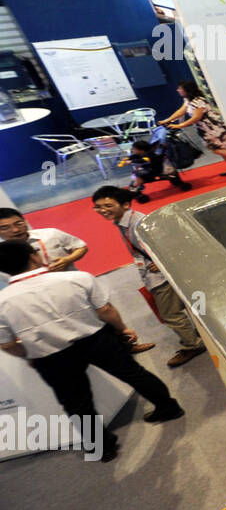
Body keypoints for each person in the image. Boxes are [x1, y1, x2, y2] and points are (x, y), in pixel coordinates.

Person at [0, 241, 184, 464]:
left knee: (76, 403)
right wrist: (123, 329)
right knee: (134, 373)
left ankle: (102, 448)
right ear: (34, 257)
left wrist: (30, 354)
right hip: (96, 339)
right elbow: (105, 310)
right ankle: (169, 407)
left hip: (50, 356)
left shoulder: (2, 300)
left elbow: (7, 344)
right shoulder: (75, 278)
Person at [90, 186, 207, 368]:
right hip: (156, 272)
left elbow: (170, 241)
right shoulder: (124, 222)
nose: (102, 210)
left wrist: (161, 261)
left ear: (126, 204)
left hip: (160, 276)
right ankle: (198, 335)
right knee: (185, 305)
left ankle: (193, 345)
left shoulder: (138, 223)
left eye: (108, 205)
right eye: (98, 207)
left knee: (170, 314)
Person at [160, 81, 226, 176]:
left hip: (212, 128)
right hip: (205, 128)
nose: (178, 90)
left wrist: (179, 126)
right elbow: (180, 112)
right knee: (220, 147)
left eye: (180, 89)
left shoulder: (198, 101)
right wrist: (167, 120)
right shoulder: (188, 100)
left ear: (187, 90)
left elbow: (196, 118)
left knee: (215, 149)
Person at [0, 209, 87, 273]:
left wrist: (68, 259)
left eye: (19, 223)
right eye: (5, 228)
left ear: (25, 221)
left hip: (73, 281)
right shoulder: (2, 254)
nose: (15, 230)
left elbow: (81, 247)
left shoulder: (50, 233)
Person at [124, 138, 191, 202]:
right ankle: (137, 184)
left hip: (155, 171)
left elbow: (141, 160)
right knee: (136, 173)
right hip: (149, 168)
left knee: (136, 173)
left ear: (141, 150)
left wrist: (131, 161)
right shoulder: (143, 153)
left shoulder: (150, 155)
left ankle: (138, 184)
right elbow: (135, 156)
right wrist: (128, 158)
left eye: (135, 149)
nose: (134, 150)